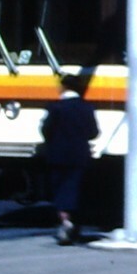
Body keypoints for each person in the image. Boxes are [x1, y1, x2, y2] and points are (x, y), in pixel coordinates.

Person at [41, 73, 99, 245]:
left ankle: (65, 221)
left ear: (63, 87)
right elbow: (93, 132)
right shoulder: (87, 107)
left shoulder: (55, 107)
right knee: (76, 188)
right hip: (80, 154)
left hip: (57, 154)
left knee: (60, 189)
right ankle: (74, 224)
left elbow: (46, 130)